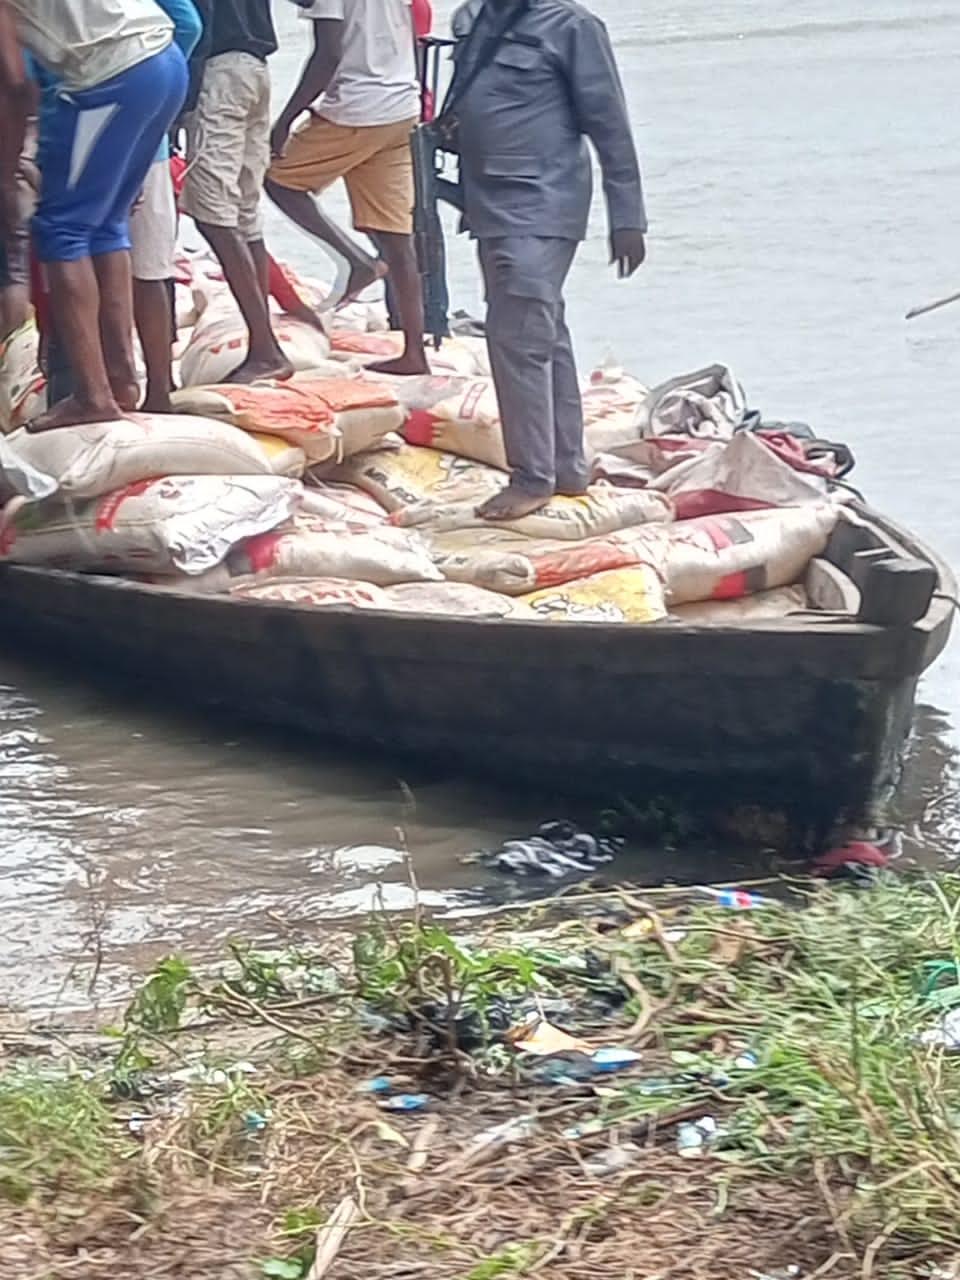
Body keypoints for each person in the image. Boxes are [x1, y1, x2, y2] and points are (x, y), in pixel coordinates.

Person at [450, 0, 648, 520]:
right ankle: (565, 467)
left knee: (517, 334)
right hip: (487, 202)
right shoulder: (472, 19)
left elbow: (610, 127)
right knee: (541, 332)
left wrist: (627, 217)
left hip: (543, 200)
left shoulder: (572, 27)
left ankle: (531, 478)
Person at [1, 0, 189, 431]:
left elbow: (14, 82)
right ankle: (121, 379)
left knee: (60, 230)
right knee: (106, 223)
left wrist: (6, 172)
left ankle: (93, 396)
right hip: (164, 60)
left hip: (107, 76)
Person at [266, 0, 428, 376]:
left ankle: (357, 261)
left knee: (277, 178)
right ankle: (414, 352)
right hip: (401, 107)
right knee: (397, 237)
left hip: (356, 109)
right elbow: (415, 33)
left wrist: (286, 119)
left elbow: (329, 53)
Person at [182, 0, 291, 383]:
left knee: (213, 214)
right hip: (255, 69)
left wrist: (182, 103)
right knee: (245, 215)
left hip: (219, 73)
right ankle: (263, 340)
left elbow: (195, 24)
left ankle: (265, 348)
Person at [131, 0, 203, 412]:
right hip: (151, 136)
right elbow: (187, 25)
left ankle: (123, 382)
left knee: (96, 258)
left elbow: (188, 24)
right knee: (152, 268)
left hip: (105, 126)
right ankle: (159, 385)